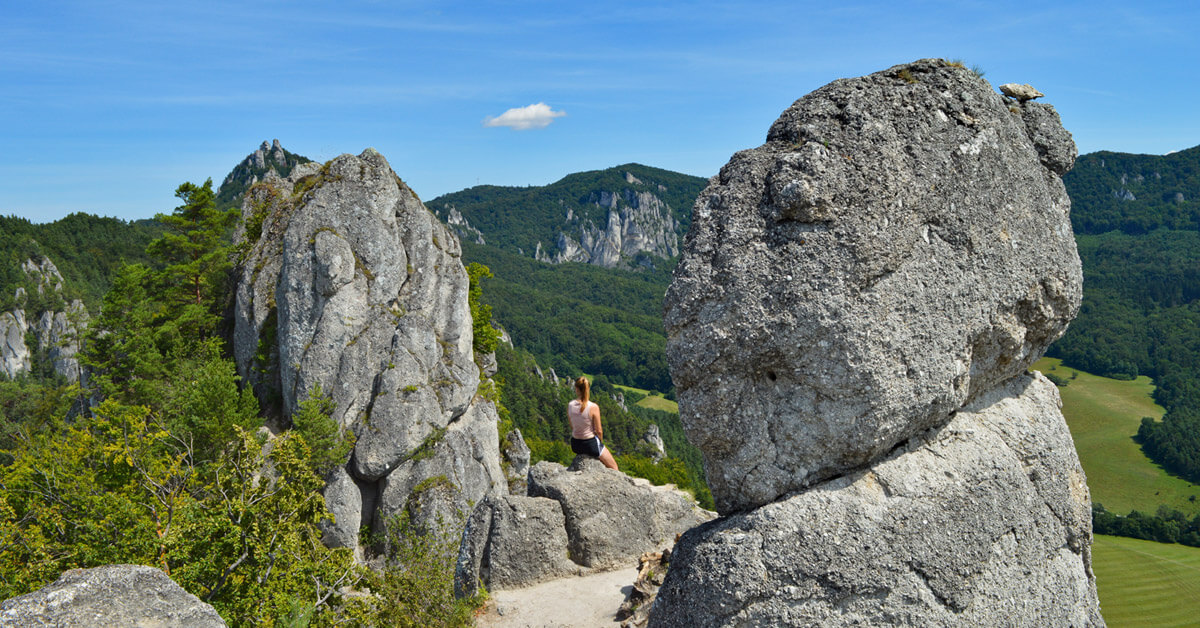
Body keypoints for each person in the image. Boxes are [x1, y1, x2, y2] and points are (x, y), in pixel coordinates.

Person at [568, 376, 619, 470]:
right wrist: (600, 442)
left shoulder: (570, 405)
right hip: (589, 444)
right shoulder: (593, 407)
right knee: (614, 467)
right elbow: (599, 430)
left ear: (576, 389)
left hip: (575, 444)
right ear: (588, 389)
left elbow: (572, 426)